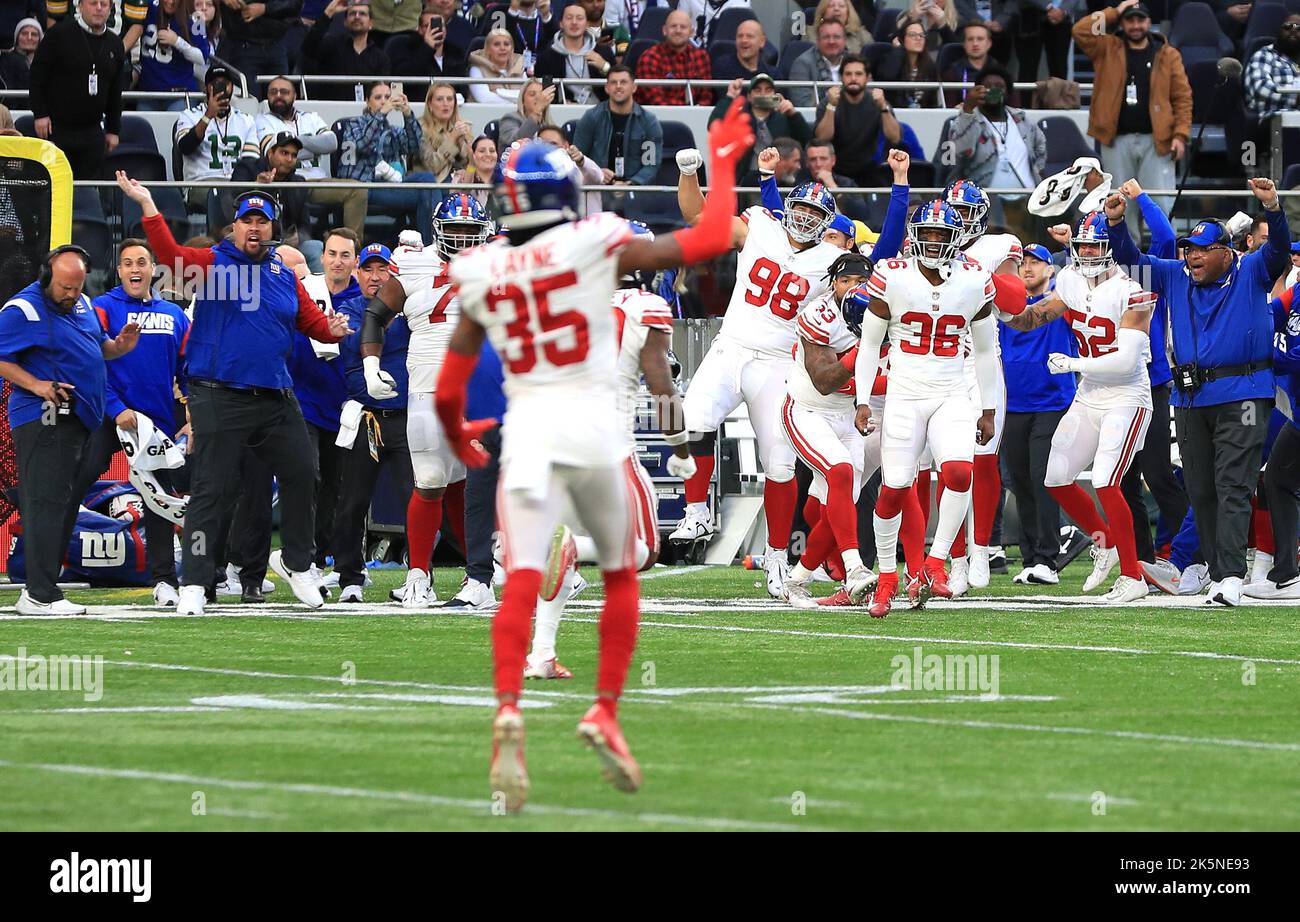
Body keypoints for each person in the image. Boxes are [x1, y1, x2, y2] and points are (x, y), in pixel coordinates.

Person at [431, 101, 752, 812]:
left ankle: (508, 709)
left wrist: (458, 436)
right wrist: (722, 160)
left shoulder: (480, 268)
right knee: (625, 569)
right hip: (596, 431)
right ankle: (604, 709)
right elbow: (703, 241)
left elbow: (451, 382)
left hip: (529, 431)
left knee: (517, 580)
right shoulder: (598, 243)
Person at [118, 172, 352, 616]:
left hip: (275, 396)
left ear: (273, 229)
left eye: (263, 221)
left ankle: (298, 563)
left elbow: (310, 323)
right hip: (219, 394)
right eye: (248, 220)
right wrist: (148, 205)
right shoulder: (213, 263)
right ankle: (194, 582)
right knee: (212, 489)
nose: (254, 227)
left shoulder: (284, 273)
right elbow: (168, 256)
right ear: (235, 225)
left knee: (305, 472)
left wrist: (333, 330)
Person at [1105, 180, 1291, 606]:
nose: (1193, 257)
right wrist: (1117, 221)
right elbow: (1133, 261)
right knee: (1201, 489)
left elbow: (1279, 248)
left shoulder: (1253, 271)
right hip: (1190, 398)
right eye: (1189, 249)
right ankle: (1211, 564)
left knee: (1234, 484)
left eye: (1203, 250)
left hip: (1243, 392)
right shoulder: (1175, 275)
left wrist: (1274, 208)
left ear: (1228, 252)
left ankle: (1229, 576)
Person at [523, 220, 696, 678]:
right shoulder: (644, 306)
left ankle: (541, 653)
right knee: (646, 548)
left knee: (564, 554)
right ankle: (576, 549)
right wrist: (680, 447)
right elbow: (662, 388)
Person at [671, 149, 845, 598]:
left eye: (813, 211)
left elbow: (867, 279)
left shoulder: (832, 259)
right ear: (788, 208)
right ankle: (697, 511)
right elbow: (698, 214)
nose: (804, 217)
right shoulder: (762, 227)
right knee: (689, 418)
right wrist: (689, 173)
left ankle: (776, 558)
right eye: (800, 207)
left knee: (780, 464)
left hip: (779, 364)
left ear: (826, 220)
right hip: (731, 347)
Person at [852, 200, 1001, 617]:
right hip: (905, 392)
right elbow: (868, 344)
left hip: (953, 390)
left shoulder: (974, 279)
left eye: (942, 234)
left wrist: (987, 408)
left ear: (956, 238)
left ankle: (935, 563)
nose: (934, 241)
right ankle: (886, 576)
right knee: (896, 487)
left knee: (959, 471)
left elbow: (987, 350)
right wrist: (863, 399)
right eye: (928, 233)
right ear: (915, 236)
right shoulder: (891, 276)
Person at [1002, 212, 1158, 603]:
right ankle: (1103, 542)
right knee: (1055, 477)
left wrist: (1073, 364)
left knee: (1106, 480)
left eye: (1095, 244)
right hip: (1090, 394)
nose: (1087, 251)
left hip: (1126, 395)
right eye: (1082, 244)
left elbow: (1125, 361)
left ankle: (1133, 575)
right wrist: (996, 307)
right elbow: (1035, 316)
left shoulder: (1133, 290)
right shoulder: (1069, 279)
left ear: (1110, 248)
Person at [358, 194, 493, 607]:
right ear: (438, 231)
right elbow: (376, 314)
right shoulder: (414, 263)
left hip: (481, 387)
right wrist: (370, 364)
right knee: (432, 481)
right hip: (427, 386)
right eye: (455, 231)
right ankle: (420, 575)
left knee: (478, 485)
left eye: (471, 232)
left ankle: (483, 576)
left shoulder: (501, 263)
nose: (463, 240)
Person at [0, 246, 140, 615]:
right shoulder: (22, 310)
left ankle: (43, 589)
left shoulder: (84, 305)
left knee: (60, 505)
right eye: (64, 287)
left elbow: (98, 348)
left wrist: (120, 346)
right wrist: (36, 384)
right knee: (46, 504)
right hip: (43, 417)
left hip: (77, 420)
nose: (71, 294)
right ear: (46, 278)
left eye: (77, 286)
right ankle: (39, 594)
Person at [72, 240, 189, 608]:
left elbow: (188, 371)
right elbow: (90, 363)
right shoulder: (102, 308)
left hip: (155, 425)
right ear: (119, 270)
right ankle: (41, 574)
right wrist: (115, 407)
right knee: (73, 485)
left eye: (142, 262)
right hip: (109, 419)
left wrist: (193, 414)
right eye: (127, 263)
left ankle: (165, 581)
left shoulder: (175, 314)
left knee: (159, 501)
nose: (135, 269)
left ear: (154, 269)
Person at [779, 252, 878, 608]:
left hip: (848, 416)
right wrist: (863, 351)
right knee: (840, 471)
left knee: (835, 509)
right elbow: (823, 381)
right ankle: (855, 569)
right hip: (808, 411)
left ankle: (795, 580)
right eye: (846, 280)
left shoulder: (881, 314)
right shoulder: (818, 316)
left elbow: (882, 377)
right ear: (833, 283)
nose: (853, 288)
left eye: (861, 282)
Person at [332, 248, 414, 603]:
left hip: (406, 415)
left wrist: (385, 318)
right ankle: (350, 576)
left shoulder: (410, 307)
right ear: (357, 273)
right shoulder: (348, 309)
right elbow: (356, 342)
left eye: (384, 269)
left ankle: (418, 573)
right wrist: (384, 320)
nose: (376, 276)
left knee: (416, 499)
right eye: (369, 269)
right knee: (351, 501)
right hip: (365, 417)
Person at [1072, 0, 1191, 238]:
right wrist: (1115, 11)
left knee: (1162, 202)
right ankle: (1126, 262)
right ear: (1123, 23)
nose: (1135, 25)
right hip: (1116, 140)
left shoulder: (1168, 54)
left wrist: (1180, 135)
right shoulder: (1107, 47)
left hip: (1158, 140)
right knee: (1120, 203)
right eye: (1130, 19)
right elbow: (1080, 30)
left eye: (1140, 19)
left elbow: (1182, 97)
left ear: (1149, 22)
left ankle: (1168, 258)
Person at [999, 243, 1073, 585]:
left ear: (1052, 268)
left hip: (1052, 402)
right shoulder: (1003, 303)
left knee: (1043, 479)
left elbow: (1084, 277)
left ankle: (1048, 557)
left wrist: (1070, 241)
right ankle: (1031, 558)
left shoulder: (1062, 299)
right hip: (1012, 403)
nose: (1027, 268)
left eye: (1036, 262)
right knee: (1021, 481)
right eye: (1023, 262)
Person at [947, 64, 1046, 250]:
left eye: (999, 86)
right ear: (978, 91)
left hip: (1027, 197)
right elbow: (957, 152)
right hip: (987, 201)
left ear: (1008, 92)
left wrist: (1036, 171)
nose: (994, 90)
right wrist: (968, 109)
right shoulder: (968, 120)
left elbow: (1040, 146)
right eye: (988, 86)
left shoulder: (1021, 119)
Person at [257, 75, 367, 242]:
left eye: (284, 92)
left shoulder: (310, 117)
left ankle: (353, 248)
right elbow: (274, 156)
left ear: (295, 96)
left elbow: (331, 143)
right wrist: (315, 147)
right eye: (273, 92)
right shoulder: (262, 120)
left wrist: (298, 143)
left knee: (357, 189)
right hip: (289, 183)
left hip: (317, 181)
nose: (278, 95)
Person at [28, 0, 128, 179]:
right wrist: (40, 114)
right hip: (57, 129)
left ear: (110, 9)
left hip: (92, 132)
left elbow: (115, 92)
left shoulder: (115, 44)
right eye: (93, 3)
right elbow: (37, 77)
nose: (98, 8)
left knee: (89, 194)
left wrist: (113, 129)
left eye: (104, 4)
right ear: (80, 6)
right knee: (55, 190)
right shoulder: (58, 35)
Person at [336, 81, 437, 242]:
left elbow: (415, 147)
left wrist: (408, 115)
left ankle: (430, 245)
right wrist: (381, 114)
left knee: (427, 181)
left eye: (388, 97)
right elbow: (363, 145)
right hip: (362, 187)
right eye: (378, 97)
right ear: (368, 102)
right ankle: (426, 241)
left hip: (388, 185)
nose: (384, 101)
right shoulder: (353, 124)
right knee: (425, 193)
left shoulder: (393, 129)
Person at [173, 65, 260, 223]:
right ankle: (230, 239)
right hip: (201, 183)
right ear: (206, 88)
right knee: (221, 193)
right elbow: (185, 146)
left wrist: (238, 185)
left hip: (236, 184)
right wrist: (208, 116)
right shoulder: (189, 116)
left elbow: (251, 161)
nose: (221, 89)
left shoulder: (246, 120)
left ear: (232, 87)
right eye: (215, 84)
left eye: (225, 84)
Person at [813, 54, 901, 187]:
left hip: (869, 170)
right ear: (841, 77)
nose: (853, 78)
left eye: (858, 74)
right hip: (835, 170)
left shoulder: (878, 102)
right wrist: (831, 106)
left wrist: (883, 107)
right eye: (848, 74)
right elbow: (822, 139)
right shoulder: (828, 102)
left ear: (867, 77)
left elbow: (895, 137)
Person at [572, 65, 663, 187]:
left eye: (624, 82)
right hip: (598, 186)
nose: (618, 86)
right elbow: (578, 158)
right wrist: (598, 172)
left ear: (634, 87)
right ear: (607, 88)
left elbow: (651, 165)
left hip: (635, 189)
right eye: (614, 82)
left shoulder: (648, 122)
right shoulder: (591, 117)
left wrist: (630, 184)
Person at [708, 73, 810, 181]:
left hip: (778, 180)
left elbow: (807, 141)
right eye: (758, 90)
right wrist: (730, 97)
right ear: (749, 97)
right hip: (744, 181)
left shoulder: (783, 118)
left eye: (768, 90)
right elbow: (714, 125)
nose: (763, 94)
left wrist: (793, 114)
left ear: (775, 95)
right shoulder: (740, 117)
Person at [123, 0, 210, 108]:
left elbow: (202, 58)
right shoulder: (148, 7)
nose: (170, 2)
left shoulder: (196, 17)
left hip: (180, 92)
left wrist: (177, 42)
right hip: (148, 91)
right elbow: (134, 27)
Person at [303, 0, 392, 102]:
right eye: (352, 13)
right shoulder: (331, 45)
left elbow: (382, 92)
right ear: (345, 22)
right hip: (331, 110)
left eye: (362, 14)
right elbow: (308, 48)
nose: (357, 16)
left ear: (371, 23)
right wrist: (328, 13)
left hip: (368, 114)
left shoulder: (380, 57)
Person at [217, 0, 299, 96]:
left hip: (277, 44)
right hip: (242, 44)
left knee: (279, 99)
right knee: (249, 101)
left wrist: (264, 8)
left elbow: (295, 4)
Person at [535, 2, 612, 104]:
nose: (574, 22)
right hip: (564, 114)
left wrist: (605, 67)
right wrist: (562, 104)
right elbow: (544, 93)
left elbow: (619, 86)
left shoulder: (603, 52)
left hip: (600, 113)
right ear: (561, 23)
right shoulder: (547, 57)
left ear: (587, 24)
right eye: (569, 18)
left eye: (579, 18)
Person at [634, 9, 713, 106]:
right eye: (673, 26)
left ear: (691, 32)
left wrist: (696, 112)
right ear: (664, 30)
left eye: (683, 27)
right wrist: (688, 110)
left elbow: (706, 96)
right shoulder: (650, 57)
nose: (678, 31)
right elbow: (655, 100)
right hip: (657, 118)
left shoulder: (701, 56)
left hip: (695, 117)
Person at [874, 17, 941, 109]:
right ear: (902, 39)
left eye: (922, 35)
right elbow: (888, 78)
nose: (918, 38)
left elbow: (933, 100)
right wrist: (898, 51)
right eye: (913, 35)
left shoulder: (929, 65)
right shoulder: (893, 60)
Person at [1245, 14, 1300, 124]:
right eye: (1288, 27)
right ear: (1279, 30)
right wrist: (1296, 98)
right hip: (1276, 120)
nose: (1293, 31)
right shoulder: (1264, 56)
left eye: (1298, 28)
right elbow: (1260, 89)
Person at [412, 82, 473, 181]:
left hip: (459, 182)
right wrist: (452, 139)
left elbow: (470, 165)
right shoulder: (420, 129)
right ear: (430, 105)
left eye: (449, 99)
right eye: (440, 99)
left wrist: (463, 142)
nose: (445, 104)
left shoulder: (461, 127)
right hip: (432, 185)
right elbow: (432, 167)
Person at [1016, 0, 1082, 85]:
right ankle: (1025, 98)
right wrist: (1049, 6)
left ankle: (1058, 98)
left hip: (1062, 18)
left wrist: (1063, 10)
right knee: (1027, 69)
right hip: (1031, 15)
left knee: (1059, 69)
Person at [389, 6, 468, 76]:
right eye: (427, 26)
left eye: (440, 25)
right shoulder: (407, 48)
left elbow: (461, 86)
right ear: (419, 29)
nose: (434, 30)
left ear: (446, 29)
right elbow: (405, 75)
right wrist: (427, 47)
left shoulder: (456, 54)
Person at [787, 18, 847, 108]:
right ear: (818, 41)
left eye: (836, 37)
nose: (831, 41)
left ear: (845, 41)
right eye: (826, 37)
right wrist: (828, 100)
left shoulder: (855, 62)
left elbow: (867, 96)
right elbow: (803, 105)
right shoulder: (802, 64)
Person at [942, 20, 998, 108]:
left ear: (989, 44)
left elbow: (1014, 110)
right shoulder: (952, 73)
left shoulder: (1000, 72)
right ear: (964, 44)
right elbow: (946, 110)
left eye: (980, 39)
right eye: (970, 39)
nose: (975, 44)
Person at [467, 27, 525, 104]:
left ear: (512, 49)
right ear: (488, 49)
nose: (502, 48)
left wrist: (498, 93)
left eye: (506, 44)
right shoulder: (477, 69)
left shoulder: (519, 67)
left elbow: (527, 95)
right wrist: (517, 101)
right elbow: (484, 99)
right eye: (497, 44)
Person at [500, 0, 557, 73]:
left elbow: (558, 42)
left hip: (543, 77)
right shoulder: (499, 12)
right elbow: (497, 41)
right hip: (510, 76)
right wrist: (513, 11)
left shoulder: (549, 16)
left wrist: (546, 15)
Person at [497, 78, 557, 148]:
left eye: (541, 95)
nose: (538, 98)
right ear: (523, 101)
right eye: (532, 94)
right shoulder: (510, 118)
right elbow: (516, 144)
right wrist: (537, 111)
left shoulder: (548, 124)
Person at [710, 17, 766, 81]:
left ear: (762, 41)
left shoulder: (773, 74)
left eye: (750, 36)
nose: (744, 40)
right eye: (740, 36)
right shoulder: (722, 68)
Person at [452, 135, 498, 211]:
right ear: (473, 154)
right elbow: (463, 193)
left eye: (492, 151)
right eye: (482, 151)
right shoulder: (461, 175)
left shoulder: (502, 176)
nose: (488, 154)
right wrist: (472, 165)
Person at [0, 17, 41, 91]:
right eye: (24, 34)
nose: (29, 37)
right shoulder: (3, 61)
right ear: (17, 38)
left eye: (34, 34)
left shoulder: (46, 62)